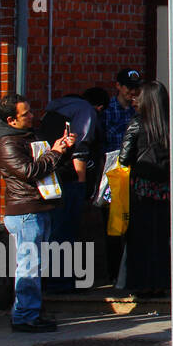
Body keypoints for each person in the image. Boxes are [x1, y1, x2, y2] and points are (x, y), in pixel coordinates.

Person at [0, 93, 73, 332]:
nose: (31, 116)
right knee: (28, 264)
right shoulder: (7, 143)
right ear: (11, 120)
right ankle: (25, 316)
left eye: (30, 110)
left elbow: (49, 166)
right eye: (25, 113)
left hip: (41, 207)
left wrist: (64, 149)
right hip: (25, 211)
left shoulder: (30, 136)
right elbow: (30, 171)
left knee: (36, 264)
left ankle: (31, 311)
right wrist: (56, 153)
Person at [39, 88, 107, 292]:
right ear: (99, 107)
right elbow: (81, 149)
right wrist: (81, 184)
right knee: (67, 231)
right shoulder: (85, 110)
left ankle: (51, 280)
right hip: (69, 180)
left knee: (54, 231)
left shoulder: (53, 111)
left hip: (51, 179)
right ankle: (62, 282)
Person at [118, 81, 173, 295]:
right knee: (162, 237)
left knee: (140, 237)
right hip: (166, 187)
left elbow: (124, 157)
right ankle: (162, 281)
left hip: (141, 186)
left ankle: (140, 283)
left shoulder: (137, 122)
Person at [103, 68, 141, 154]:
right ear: (118, 85)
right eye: (130, 87)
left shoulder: (139, 109)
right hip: (113, 162)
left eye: (136, 87)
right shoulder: (108, 110)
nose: (133, 91)